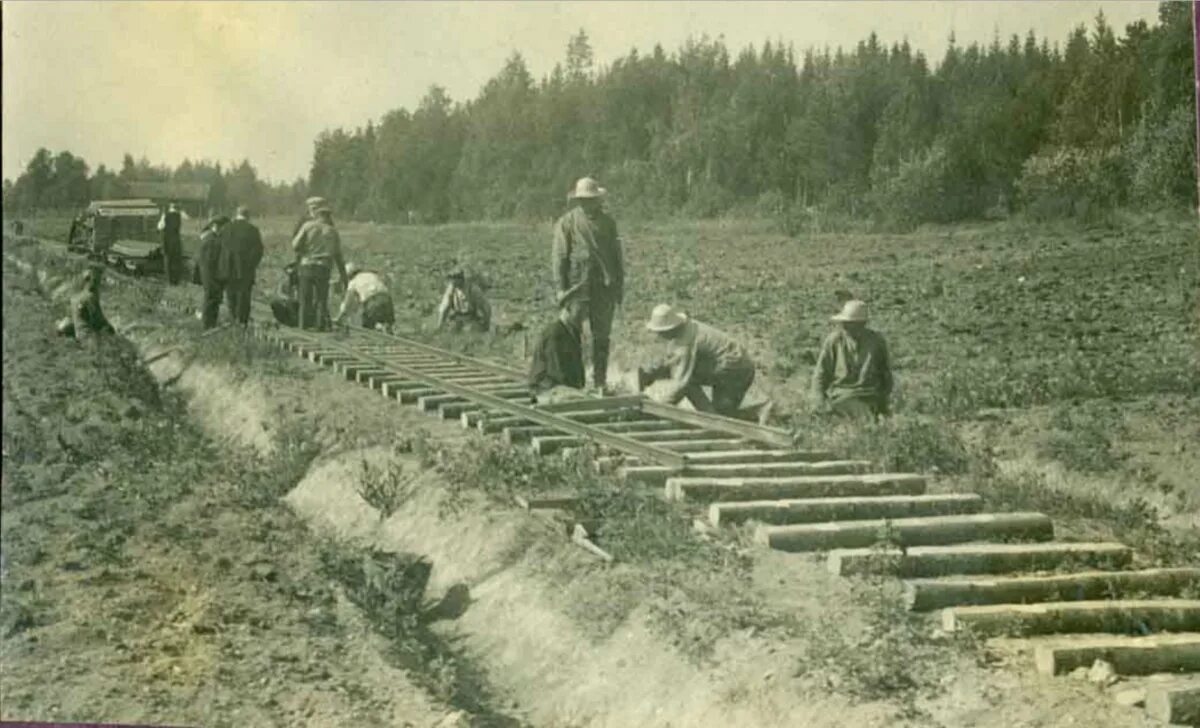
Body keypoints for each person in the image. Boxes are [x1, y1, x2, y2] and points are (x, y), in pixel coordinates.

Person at [551, 176, 624, 391]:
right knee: (572, 333)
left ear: (598, 200)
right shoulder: (567, 222)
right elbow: (560, 257)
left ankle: (599, 380)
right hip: (576, 286)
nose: (587, 203)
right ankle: (572, 379)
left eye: (591, 200)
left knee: (601, 336)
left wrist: (619, 286)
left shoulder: (608, 223)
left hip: (603, 286)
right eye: (583, 200)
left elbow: (617, 256)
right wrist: (560, 288)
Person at [637, 303, 758, 418]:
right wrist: (652, 372)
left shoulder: (686, 342)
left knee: (723, 417)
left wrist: (661, 408)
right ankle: (709, 415)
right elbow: (673, 360)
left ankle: (715, 416)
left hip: (736, 372)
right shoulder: (687, 328)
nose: (659, 335)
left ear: (669, 329)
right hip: (730, 364)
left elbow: (681, 383)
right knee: (688, 378)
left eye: (660, 332)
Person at [811, 299, 894, 420]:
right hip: (840, 395)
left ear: (862, 324)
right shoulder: (834, 341)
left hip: (869, 395)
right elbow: (820, 374)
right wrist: (818, 400)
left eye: (850, 323)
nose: (844, 326)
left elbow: (886, 375)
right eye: (844, 323)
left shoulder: (876, 342)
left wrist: (884, 402)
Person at [528, 283, 589, 400]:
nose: (585, 313)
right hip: (545, 390)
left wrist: (581, 389)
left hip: (562, 389)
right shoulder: (555, 334)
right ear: (569, 307)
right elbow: (557, 374)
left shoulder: (572, 332)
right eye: (581, 308)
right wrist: (578, 392)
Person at [291, 204, 347, 331]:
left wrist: (304, 251)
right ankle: (320, 325)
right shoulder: (333, 231)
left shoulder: (308, 226)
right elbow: (338, 255)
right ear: (328, 217)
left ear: (317, 215)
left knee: (305, 297)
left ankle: (303, 325)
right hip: (324, 267)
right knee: (321, 298)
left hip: (307, 265)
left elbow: (295, 245)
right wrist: (343, 276)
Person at [217, 206, 264, 326]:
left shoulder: (226, 228)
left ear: (236, 214)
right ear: (248, 216)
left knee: (231, 296)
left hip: (228, 269)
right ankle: (242, 323)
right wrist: (251, 265)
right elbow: (258, 251)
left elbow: (219, 248)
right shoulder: (252, 230)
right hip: (245, 270)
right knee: (244, 297)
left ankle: (233, 319)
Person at [56, 266, 115, 341]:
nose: (98, 283)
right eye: (96, 280)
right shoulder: (90, 296)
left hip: (78, 333)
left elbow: (70, 318)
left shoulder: (76, 295)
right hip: (88, 336)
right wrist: (109, 327)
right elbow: (98, 318)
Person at [334, 262, 394, 332]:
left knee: (367, 327)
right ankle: (386, 328)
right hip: (387, 299)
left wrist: (339, 318)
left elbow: (347, 303)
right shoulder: (370, 274)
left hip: (372, 302)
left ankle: (379, 328)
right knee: (386, 321)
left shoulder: (353, 282)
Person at [195, 215, 230, 329]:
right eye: (224, 228)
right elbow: (210, 262)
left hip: (210, 275)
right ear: (216, 226)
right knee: (211, 299)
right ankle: (208, 324)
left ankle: (210, 323)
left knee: (213, 299)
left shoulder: (210, 238)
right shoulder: (211, 240)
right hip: (211, 275)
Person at [437, 266, 491, 332]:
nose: (453, 281)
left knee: (470, 331)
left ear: (461, 279)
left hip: (471, 318)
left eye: (455, 278)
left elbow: (486, 307)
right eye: (452, 279)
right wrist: (440, 326)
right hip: (457, 318)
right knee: (450, 330)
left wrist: (486, 324)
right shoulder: (451, 289)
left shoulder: (473, 289)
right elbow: (444, 308)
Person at [156, 201, 188, 285]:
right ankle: (174, 280)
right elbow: (187, 218)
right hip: (174, 240)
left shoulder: (167, 215)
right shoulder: (178, 215)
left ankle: (171, 280)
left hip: (168, 240)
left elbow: (159, 227)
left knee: (169, 261)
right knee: (175, 260)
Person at [270, 263, 301, 327]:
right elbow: (279, 293)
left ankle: (292, 320)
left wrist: (294, 298)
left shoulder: (298, 282)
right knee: (275, 303)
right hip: (285, 300)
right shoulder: (283, 281)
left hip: (294, 303)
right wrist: (286, 298)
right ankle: (282, 320)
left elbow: (297, 294)